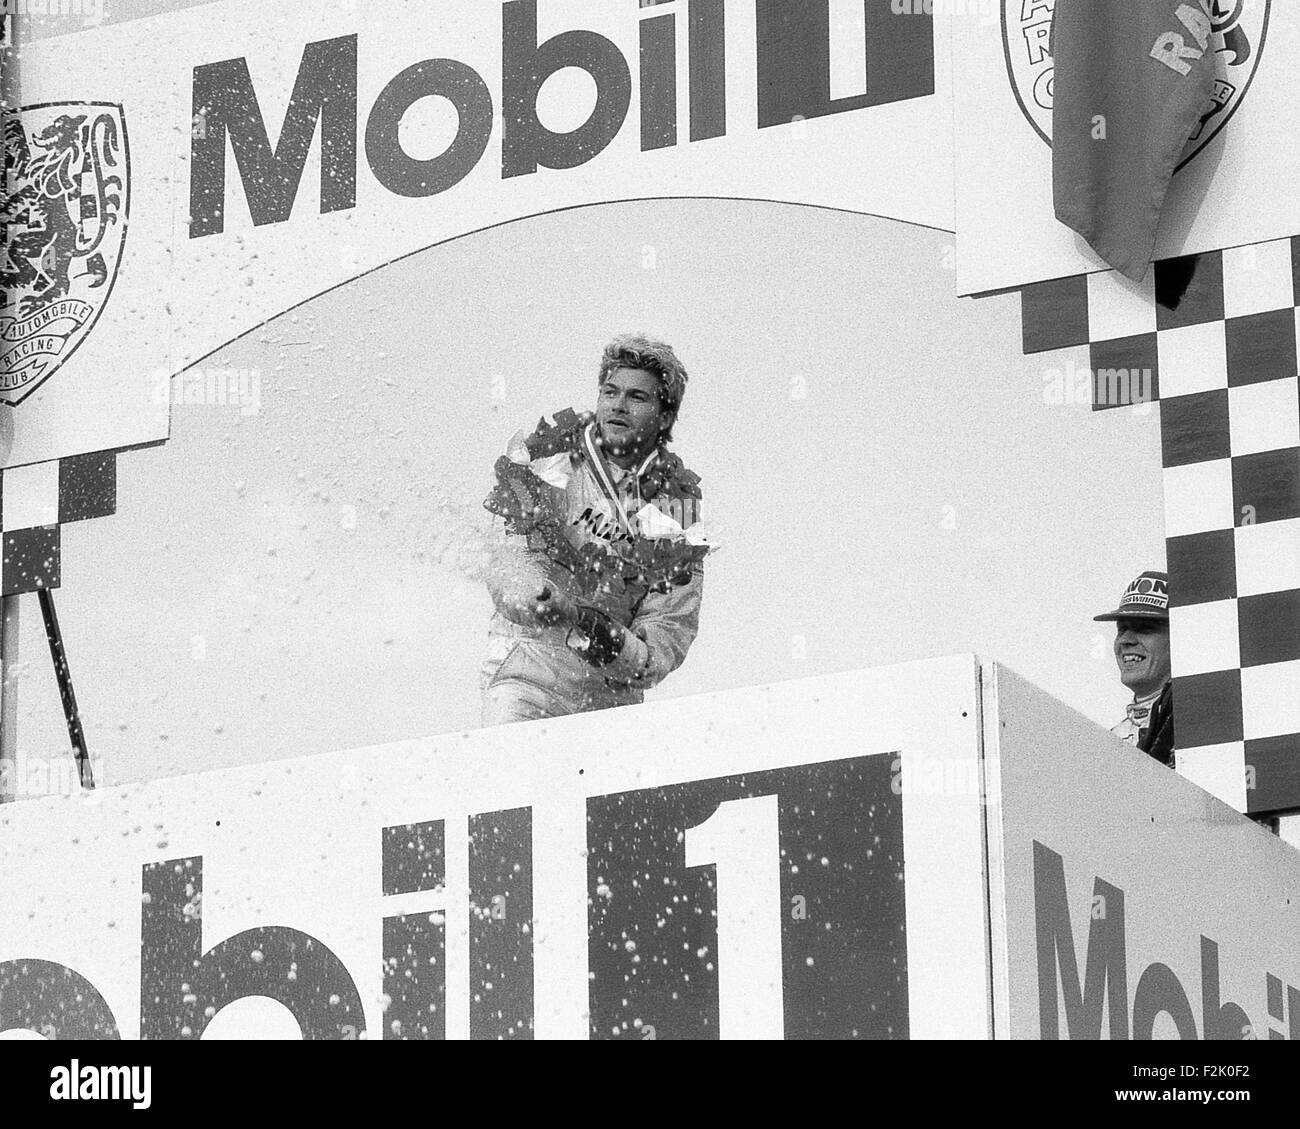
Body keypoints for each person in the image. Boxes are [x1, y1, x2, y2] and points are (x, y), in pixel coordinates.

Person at [478, 334, 713, 726]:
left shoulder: (678, 514)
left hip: (609, 708)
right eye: (610, 392)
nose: (618, 405)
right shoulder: (545, 460)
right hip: (526, 681)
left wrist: (582, 621)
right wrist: (534, 598)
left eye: (637, 397)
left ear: (666, 416)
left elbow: (660, 647)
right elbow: (506, 565)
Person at [1094, 570, 1173, 766]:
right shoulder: (1108, 742)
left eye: (1144, 628)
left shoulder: (1201, 725)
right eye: (1122, 629)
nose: (1126, 640)